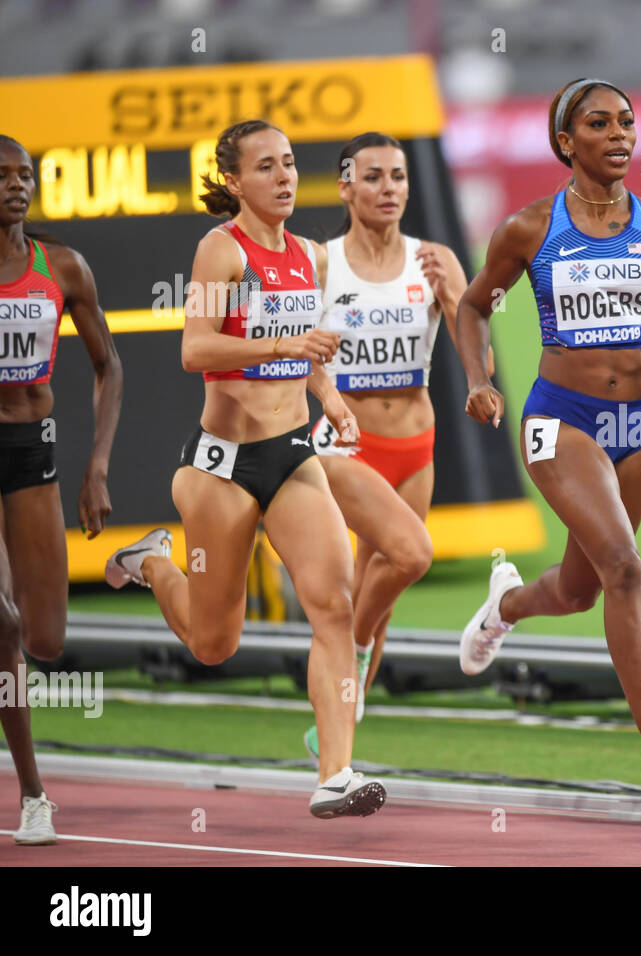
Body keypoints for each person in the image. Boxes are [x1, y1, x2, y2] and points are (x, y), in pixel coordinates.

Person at [453, 79, 641, 814]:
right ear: (566, 144)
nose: (620, 135)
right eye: (599, 124)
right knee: (626, 574)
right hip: (559, 419)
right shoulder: (530, 229)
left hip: (635, 424)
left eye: (628, 123)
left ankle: (505, 605)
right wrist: (479, 379)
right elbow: (473, 306)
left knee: (578, 591)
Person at [104, 120, 384, 818]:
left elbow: (312, 353)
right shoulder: (219, 251)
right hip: (222, 468)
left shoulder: (313, 257)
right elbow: (194, 349)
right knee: (211, 643)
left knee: (335, 606)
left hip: (292, 456)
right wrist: (285, 338)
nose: (285, 177)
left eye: (290, 163)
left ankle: (335, 774)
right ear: (234, 181)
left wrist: (332, 398)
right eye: (266, 167)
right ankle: (149, 563)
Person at [301, 131, 470, 763]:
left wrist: (452, 295)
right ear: (345, 186)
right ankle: (357, 649)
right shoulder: (322, 262)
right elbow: (297, 349)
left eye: (397, 177)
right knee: (408, 558)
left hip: (415, 447)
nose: (388, 189)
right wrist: (329, 397)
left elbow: (470, 341)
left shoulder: (435, 258)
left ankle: (336, 744)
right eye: (372, 177)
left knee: (385, 580)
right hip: (346, 445)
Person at [0, 135, 122, 845]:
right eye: (3, 176)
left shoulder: (62, 266)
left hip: (32, 452)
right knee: (4, 626)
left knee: (42, 639)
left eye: (26, 175)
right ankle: (34, 795)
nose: (18, 186)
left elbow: (110, 367)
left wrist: (97, 464)